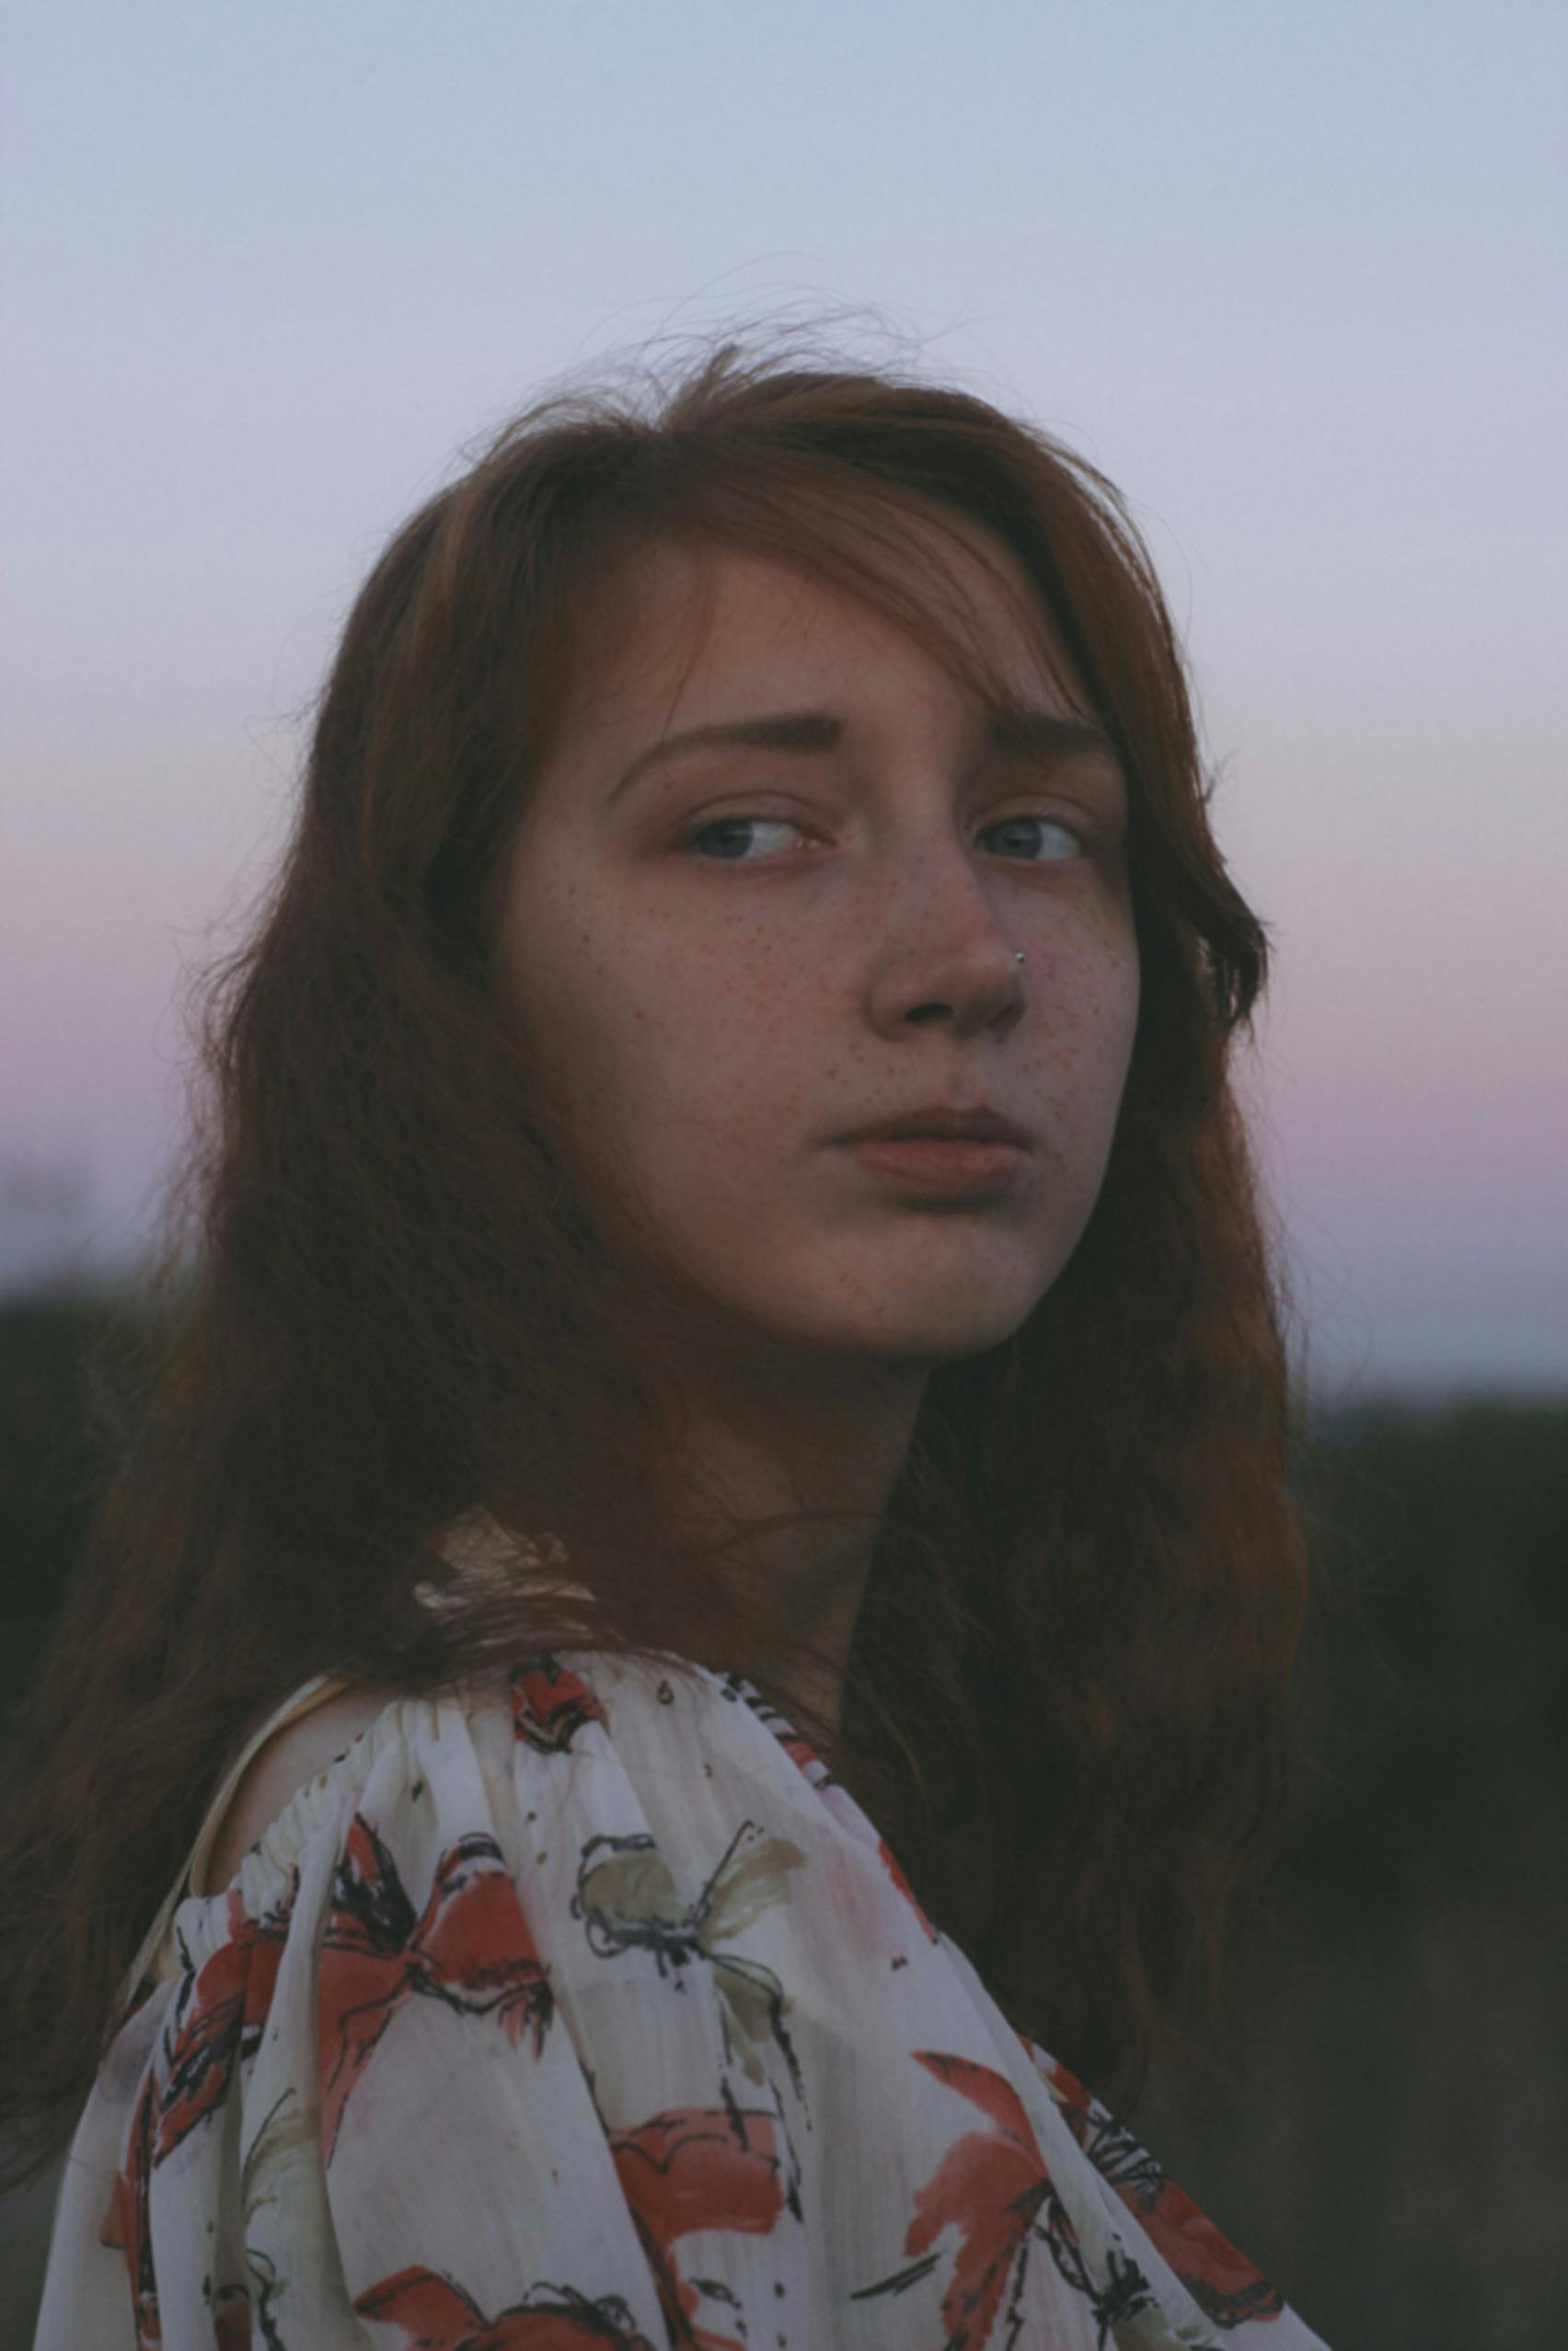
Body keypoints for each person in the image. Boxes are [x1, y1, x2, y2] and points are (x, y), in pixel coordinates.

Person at [1, 328, 1331, 2346]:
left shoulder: (649, 1782)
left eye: (1037, 829)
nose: (968, 960)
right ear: (454, 992)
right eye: (747, 830)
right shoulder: (530, 1814)